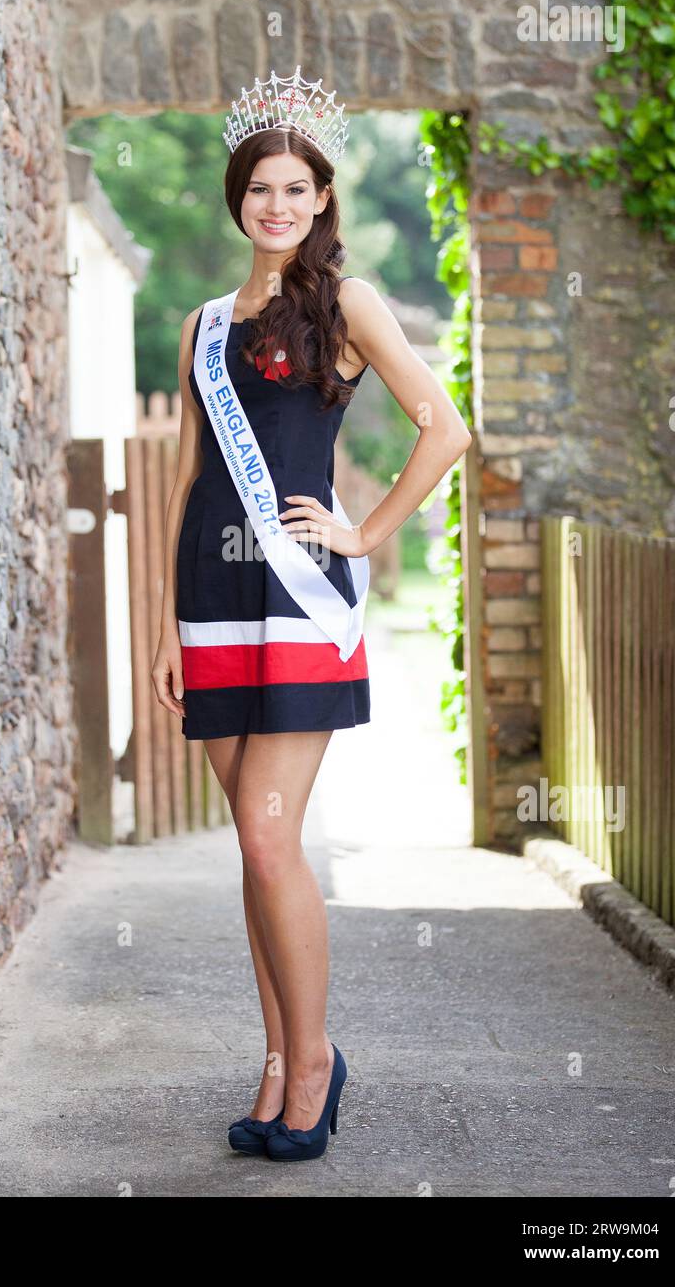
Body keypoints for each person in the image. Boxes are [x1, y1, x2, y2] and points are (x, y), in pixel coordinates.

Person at [152, 68, 472, 1161]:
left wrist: (367, 529)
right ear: (236, 198)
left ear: (323, 197)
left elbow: (444, 427)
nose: (277, 206)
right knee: (252, 853)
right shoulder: (201, 326)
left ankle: (316, 1057)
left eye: (298, 188)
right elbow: (191, 475)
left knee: (266, 831)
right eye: (260, 188)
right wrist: (165, 628)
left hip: (295, 599)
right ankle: (278, 1055)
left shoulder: (345, 305)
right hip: (213, 601)